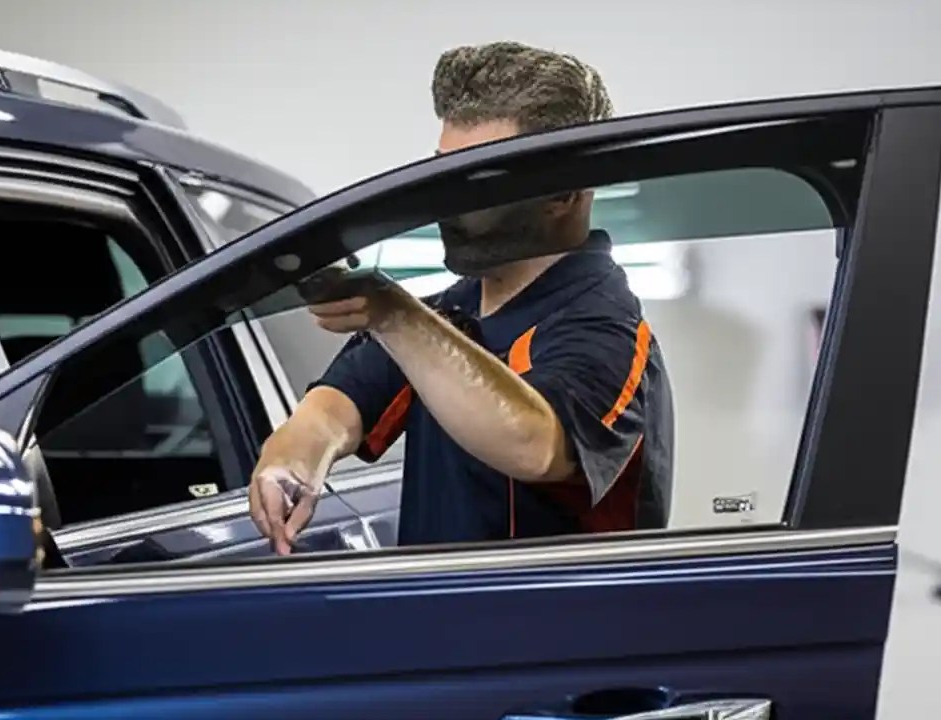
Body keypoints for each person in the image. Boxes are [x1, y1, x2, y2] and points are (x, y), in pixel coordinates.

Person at [248, 41, 674, 554]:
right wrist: (293, 462)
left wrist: (397, 316)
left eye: (479, 180)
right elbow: (329, 411)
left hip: (557, 630)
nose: (448, 202)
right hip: (435, 622)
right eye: (443, 173)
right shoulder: (444, 314)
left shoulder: (609, 330)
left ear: (564, 194)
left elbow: (535, 445)